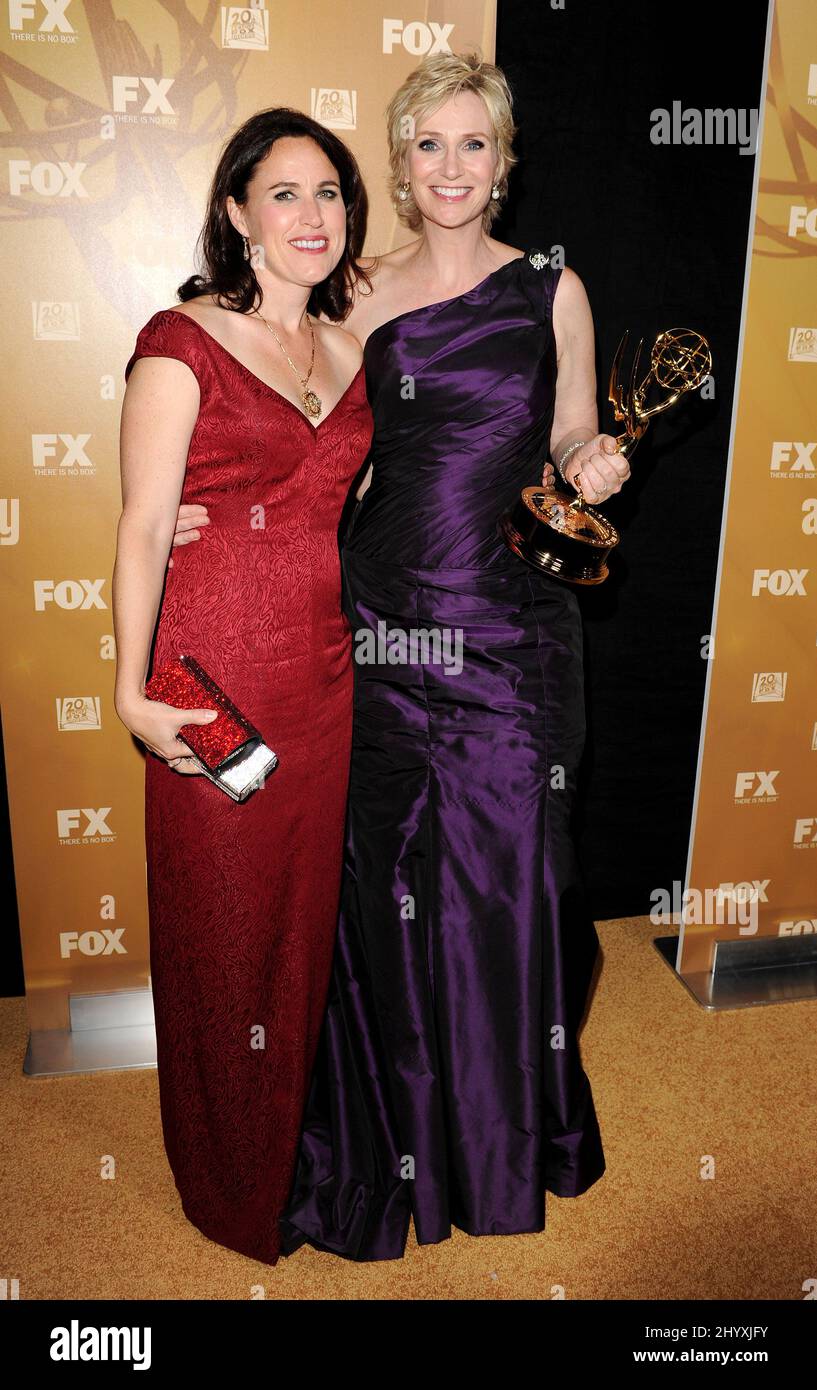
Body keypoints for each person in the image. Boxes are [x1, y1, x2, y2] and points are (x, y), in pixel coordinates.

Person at [173, 54, 631, 1262]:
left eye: (473, 145)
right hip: (376, 625)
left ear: (506, 163)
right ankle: (404, 1131)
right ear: (400, 159)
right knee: (384, 882)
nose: (449, 168)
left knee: (507, 870)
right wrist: (204, 509)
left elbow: (572, 418)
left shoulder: (552, 290)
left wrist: (590, 462)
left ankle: (503, 1135)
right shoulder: (358, 291)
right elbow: (293, 435)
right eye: (426, 144)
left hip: (512, 631)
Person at [112, 109, 374, 1265]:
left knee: (296, 930)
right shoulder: (181, 341)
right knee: (220, 931)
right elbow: (139, 527)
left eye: (329, 194)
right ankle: (230, 1179)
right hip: (211, 673)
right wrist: (129, 691)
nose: (311, 215)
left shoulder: (355, 353)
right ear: (235, 213)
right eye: (284, 193)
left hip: (322, 674)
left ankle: (293, 1140)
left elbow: (344, 514)